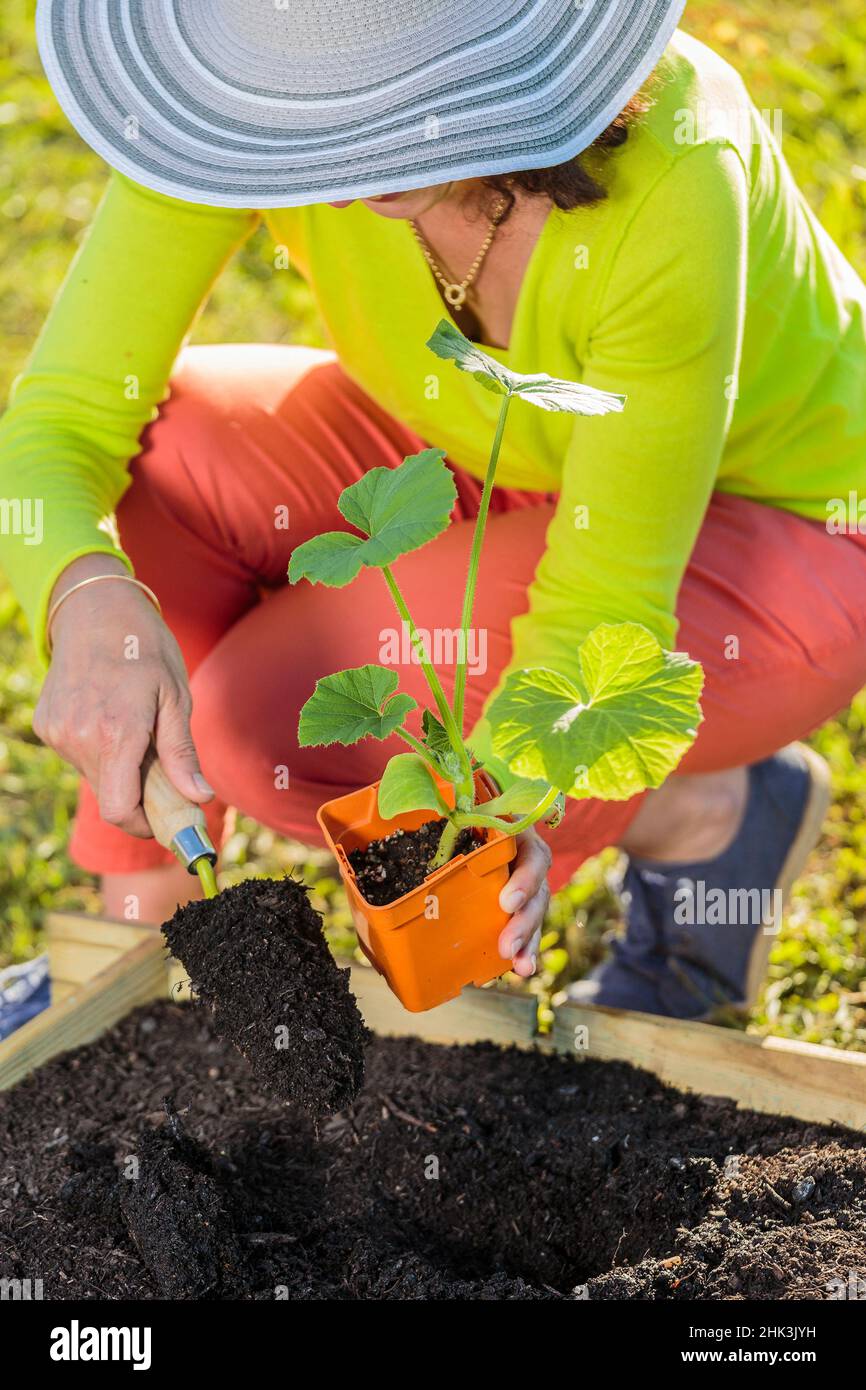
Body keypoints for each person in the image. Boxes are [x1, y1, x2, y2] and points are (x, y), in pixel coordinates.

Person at [2, 0, 865, 1018]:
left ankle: (705, 815)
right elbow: (64, 416)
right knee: (171, 454)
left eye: (400, 85)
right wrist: (85, 593)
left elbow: (603, 603)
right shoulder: (261, 95)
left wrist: (505, 810)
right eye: (323, 90)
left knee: (254, 720)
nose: (355, 144)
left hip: (777, 529)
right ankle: (133, 942)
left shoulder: (678, 165)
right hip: (495, 448)